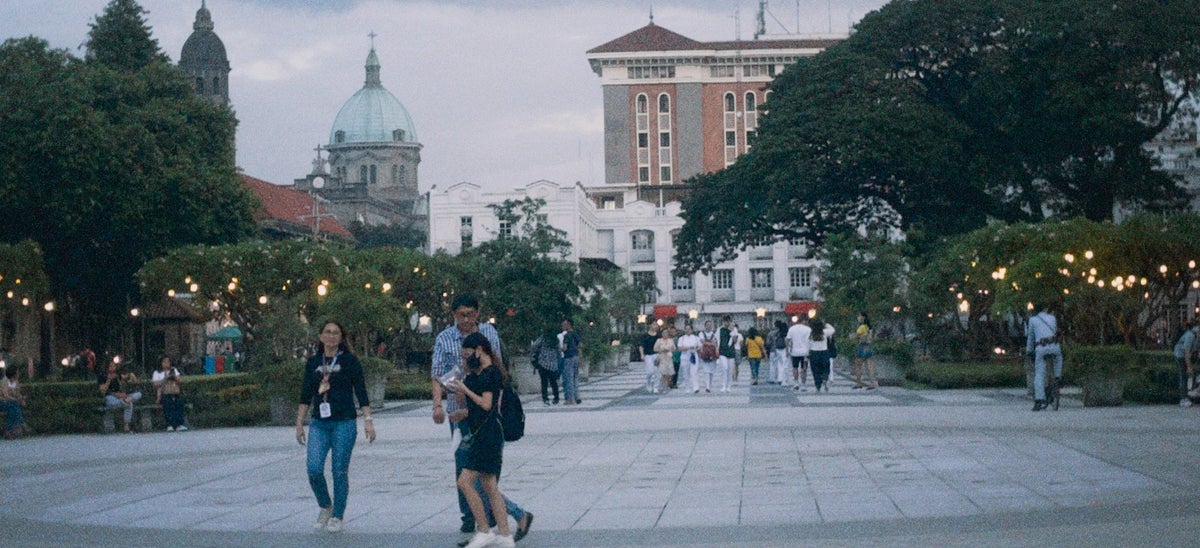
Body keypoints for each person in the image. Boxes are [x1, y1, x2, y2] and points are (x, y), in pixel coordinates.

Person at [430, 294, 532, 546]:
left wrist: (467, 390)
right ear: (453, 314)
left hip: (484, 417)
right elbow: (436, 375)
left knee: (471, 476)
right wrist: (438, 406)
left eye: (471, 314)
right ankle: (489, 528)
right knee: (473, 474)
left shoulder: (487, 347)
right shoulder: (444, 338)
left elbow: (490, 388)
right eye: (461, 315)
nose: (466, 320)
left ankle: (488, 527)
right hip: (462, 413)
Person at [296, 321, 374, 533]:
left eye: (336, 333)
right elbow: (305, 393)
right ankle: (325, 505)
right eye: (327, 332)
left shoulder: (349, 361)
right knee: (313, 469)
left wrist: (368, 421)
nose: (331, 336)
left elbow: (361, 391)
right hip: (320, 423)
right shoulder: (313, 362)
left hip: (344, 422)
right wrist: (299, 423)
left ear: (341, 337)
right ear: (320, 337)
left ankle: (338, 515)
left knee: (339, 470)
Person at [1026, 305, 1063, 411]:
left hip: (1041, 348)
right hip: (1055, 346)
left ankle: (1039, 399)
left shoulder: (1032, 320)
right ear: (1044, 309)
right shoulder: (1052, 318)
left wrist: (1029, 351)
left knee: (1039, 373)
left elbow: (1030, 337)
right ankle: (1057, 377)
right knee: (1058, 359)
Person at [100, 361, 143, 432]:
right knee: (129, 404)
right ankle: (126, 427)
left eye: (114, 366)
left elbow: (126, 378)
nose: (112, 368)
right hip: (110, 397)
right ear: (107, 367)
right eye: (110, 366)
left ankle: (127, 400)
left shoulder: (117, 375)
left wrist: (131, 375)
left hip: (121, 397)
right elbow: (103, 391)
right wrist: (109, 380)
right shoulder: (102, 376)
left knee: (139, 394)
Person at [151, 356, 188, 431]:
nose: (166, 364)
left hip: (174, 392)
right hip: (163, 394)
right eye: (164, 362)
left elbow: (179, 381)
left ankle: (179, 424)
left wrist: (173, 377)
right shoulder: (157, 372)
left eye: (168, 362)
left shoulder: (173, 370)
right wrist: (165, 379)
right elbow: (155, 384)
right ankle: (169, 424)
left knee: (179, 402)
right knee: (167, 403)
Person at [530, 329, 561, 405]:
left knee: (544, 382)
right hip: (553, 364)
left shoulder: (543, 338)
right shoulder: (555, 340)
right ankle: (556, 398)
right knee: (553, 382)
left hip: (542, 363)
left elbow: (534, 345)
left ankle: (545, 398)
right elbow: (559, 351)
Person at [1173, 321, 1199, 408]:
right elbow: (1186, 352)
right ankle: (1183, 399)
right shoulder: (1190, 336)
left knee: (1192, 375)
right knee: (1183, 375)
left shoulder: (1197, 337)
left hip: (1187, 354)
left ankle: (1191, 394)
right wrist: (1188, 366)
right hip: (1180, 355)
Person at [853, 313, 880, 390]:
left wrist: (854, 336)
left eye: (859, 316)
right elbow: (870, 337)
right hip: (868, 346)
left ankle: (859, 382)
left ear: (863, 318)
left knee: (858, 365)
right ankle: (872, 383)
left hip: (862, 346)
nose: (858, 317)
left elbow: (856, 336)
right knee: (869, 366)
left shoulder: (861, 327)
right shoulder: (869, 327)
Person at [808, 318, 836, 392]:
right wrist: (825, 324)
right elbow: (833, 330)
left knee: (815, 370)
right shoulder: (824, 332)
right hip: (824, 352)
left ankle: (818, 386)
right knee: (826, 368)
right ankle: (825, 379)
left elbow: (807, 344)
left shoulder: (810, 334)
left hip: (813, 353)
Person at [786, 316, 813, 391]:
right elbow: (811, 340)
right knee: (804, 368)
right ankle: (803, 384)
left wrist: (787, 351)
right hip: (805, 352)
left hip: (795, 352)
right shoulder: (808, 329)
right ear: (804, 321)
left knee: (795, 368)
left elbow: (788, 340)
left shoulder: (792, 329)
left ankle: (796, 383)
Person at [0, 366, 28, 439]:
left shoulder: (16, 382)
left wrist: (21, 399)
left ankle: (8, 431)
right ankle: (21, 423)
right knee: (14, 405)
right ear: (14, 374)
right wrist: (16, 400)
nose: (19, 374)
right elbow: (5, 395)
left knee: (12, 409)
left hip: (9, 403)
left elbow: (17, 394)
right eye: (17, 372)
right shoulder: (4, 381)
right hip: (2, 402)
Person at [559, 319, 582, 405]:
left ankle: (570, 399)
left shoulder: (567, 336)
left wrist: (559, 349)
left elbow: (564, 348)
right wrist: (580, 358)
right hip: (576, 356)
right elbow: (579, 346)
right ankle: (577, 396)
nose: (562, 326)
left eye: (563, 325)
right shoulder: (575, 334)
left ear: (568, 325)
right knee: (575, 377)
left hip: (568, 357)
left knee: (568, 378)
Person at [676, 324, 700, 393]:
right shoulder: (682, 338)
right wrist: (686, 348)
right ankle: (687, 387)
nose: (688, 330)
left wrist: (696, 348)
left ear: (691, 330)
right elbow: (679, 348)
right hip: (685, 356)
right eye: (686, 329)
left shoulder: (696, 338)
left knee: (694, 372)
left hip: (693, 356)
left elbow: (700, 347)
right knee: (685, 373)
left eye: (689, 329)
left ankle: (696, 387)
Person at [697, 320, 720, 393]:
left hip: (712, 354)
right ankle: (707, 386)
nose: (709, 326)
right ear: (705, 326)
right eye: (707, 325)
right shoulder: (701, 333)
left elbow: (715, 343)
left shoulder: (714, 334)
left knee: (711, 371)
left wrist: (716, 350)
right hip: (704, 354)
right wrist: (711, 343)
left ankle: (710, 385)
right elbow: (702, 341)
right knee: (706, 371)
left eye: (710, 325)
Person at [655, 326, 677, 392]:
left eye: (666, 333)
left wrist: (669, 349)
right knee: (663, 373)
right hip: (662, 358)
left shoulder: (671, 340)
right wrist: (662, 350)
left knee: (669, 373)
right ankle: (663, 386)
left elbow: (674, 348)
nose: (665, 334)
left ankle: (667, 385)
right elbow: (655, 349)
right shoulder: (659, 340)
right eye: (664, 333)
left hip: (669, 358)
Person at [717, 316, 736, 392]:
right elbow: (716, 340)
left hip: (731, 352)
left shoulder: (734, 329)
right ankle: (723, 385)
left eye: (728, 321)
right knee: (724, 368)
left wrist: (731, 331)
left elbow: (735, 340)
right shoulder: (720, 330)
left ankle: (729, 386)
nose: (726, 323)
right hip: (722, 352)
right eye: (725, 321)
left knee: (730, 369)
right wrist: (716, 350)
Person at [767, 320, 789, 385]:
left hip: (773, 350)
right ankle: (782, 379)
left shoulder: (771, 333)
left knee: (773, 365)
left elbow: (768, 343)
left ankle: (772, 378)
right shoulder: (784, 332)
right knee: (783, 365)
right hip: (783, 349)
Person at [639, 325, 660, 393]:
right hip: (648, 355)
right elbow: (641, 346)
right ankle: (648, 382)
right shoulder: (645, 336)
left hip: (656, 354)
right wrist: (642, 354)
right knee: (650, 372)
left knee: (657, 372)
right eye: (653, 324)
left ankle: (656, 387)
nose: (655, 326)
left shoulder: (658, 336)